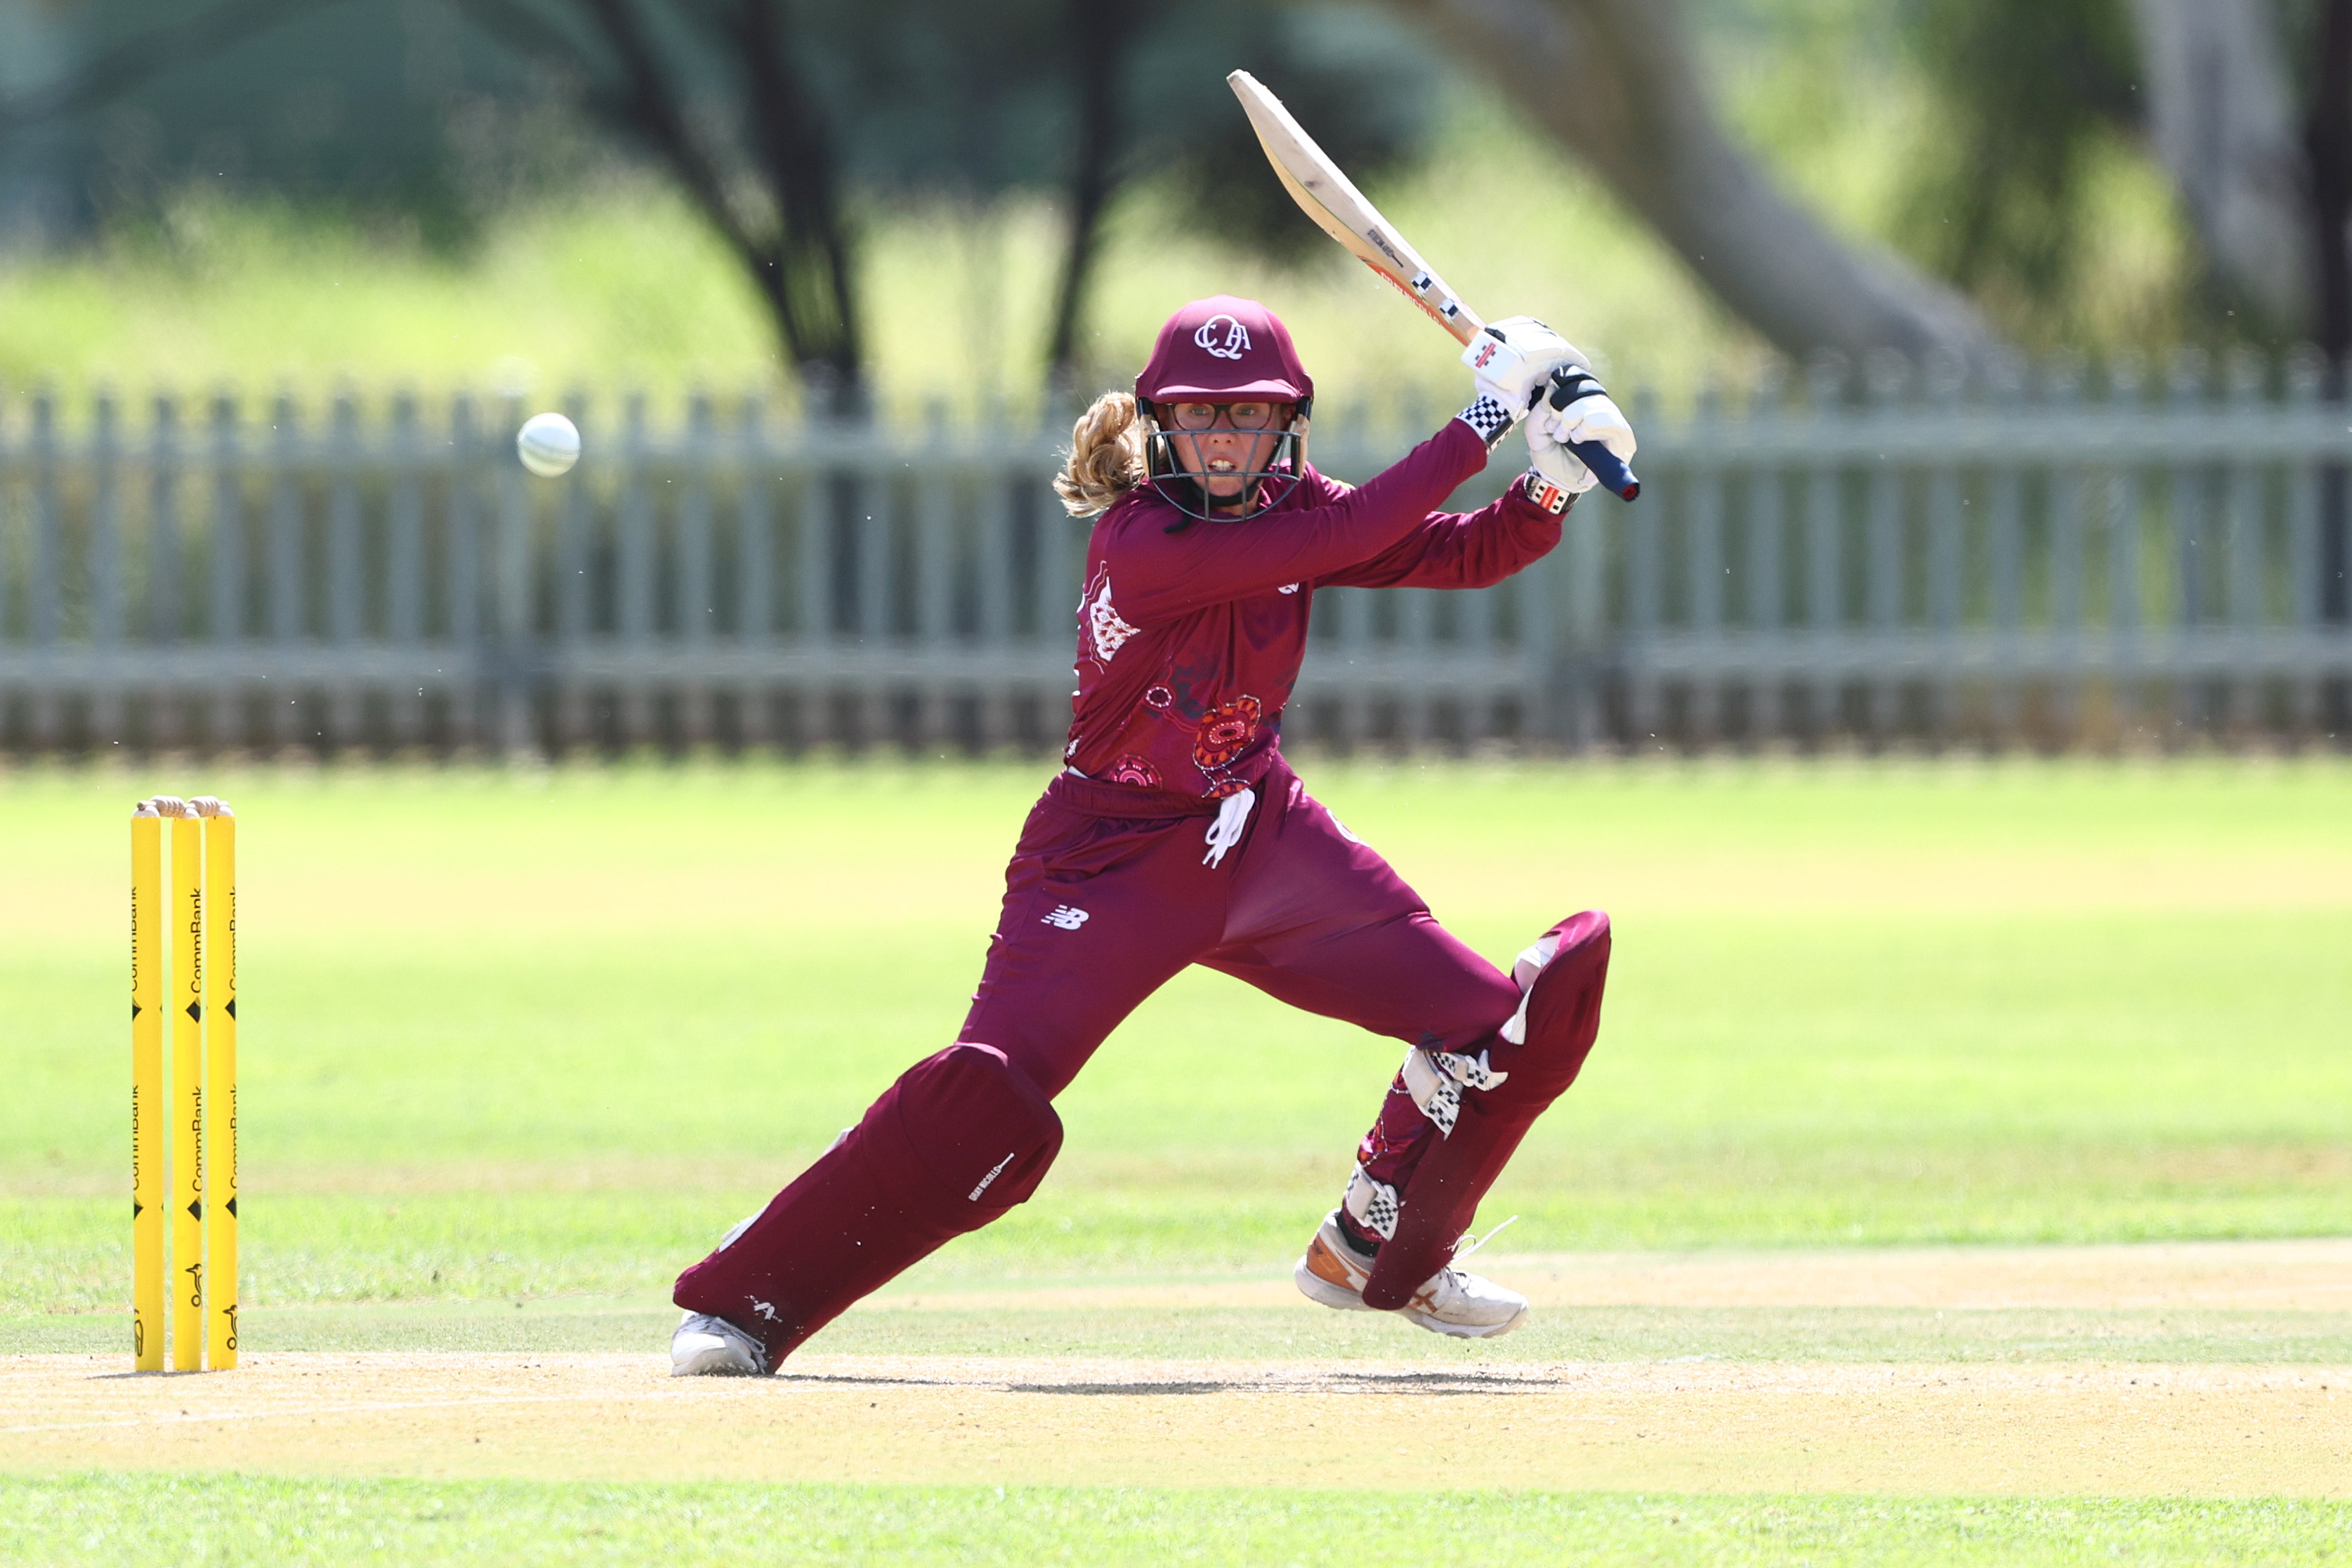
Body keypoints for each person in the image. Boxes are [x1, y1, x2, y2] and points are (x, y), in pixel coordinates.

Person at [669, 294, 1633, 1375]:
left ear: (1287, 426)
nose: (1227, 439)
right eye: (1204, 415)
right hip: (1110, 858)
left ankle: (1375, 1244)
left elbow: (1458, 554)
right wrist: (1486, 417)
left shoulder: (1295, 509)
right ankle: (744, 1303)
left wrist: (1553, 475)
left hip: (1261, 837)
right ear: (1160, 425)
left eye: (1251, 417)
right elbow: (1347, 533)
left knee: (1492, 1029)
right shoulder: (1144, 541)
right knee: (986, 1095)